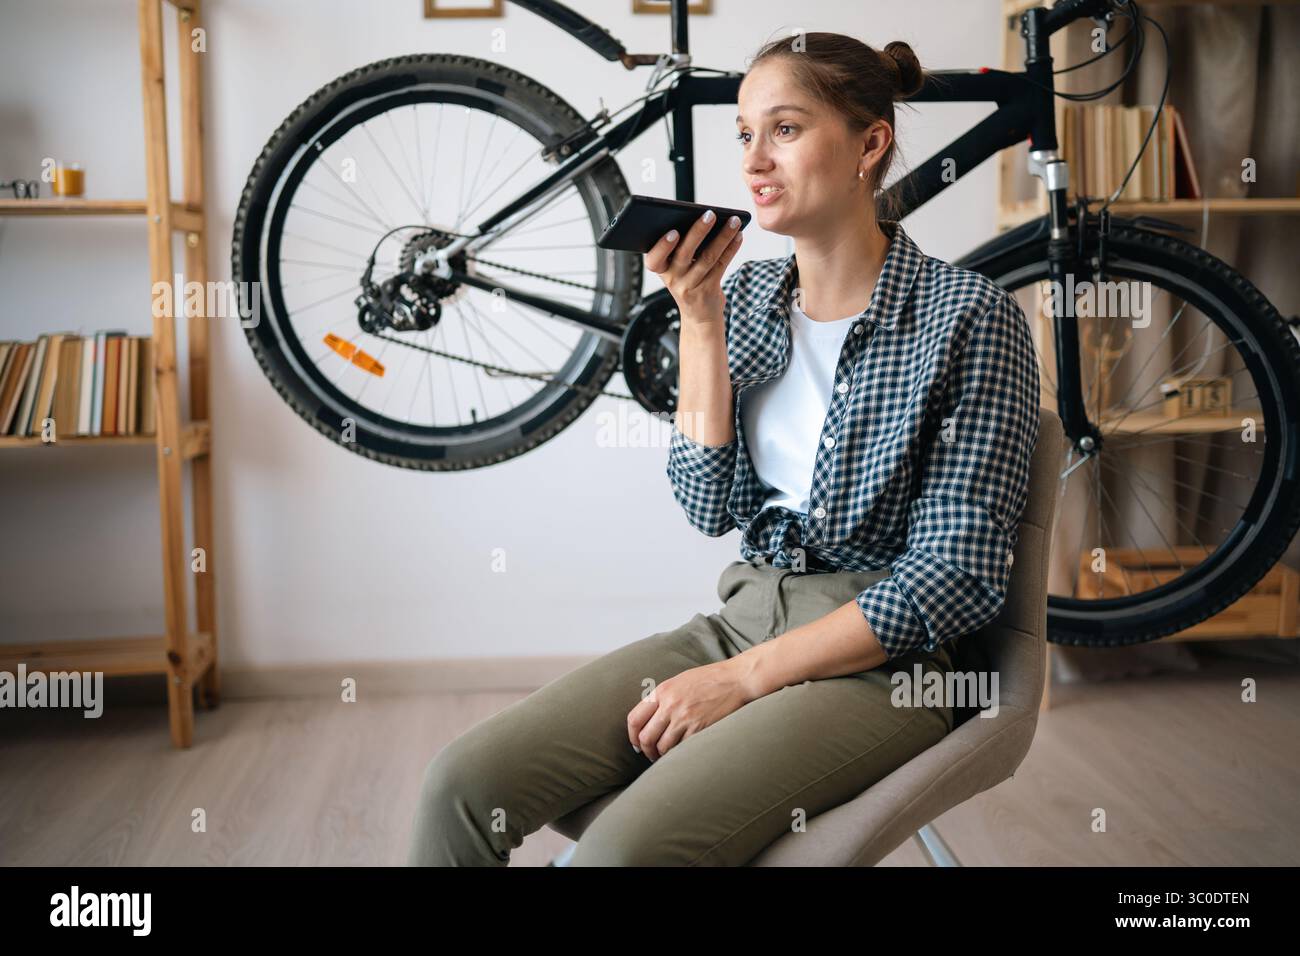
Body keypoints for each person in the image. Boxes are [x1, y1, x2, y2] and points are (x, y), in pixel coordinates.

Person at [406, 31, 1040, 867]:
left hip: (884, 667)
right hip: (736, 619)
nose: (754, 161)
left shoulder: (969, 318)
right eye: (745, 135)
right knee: (458, 786)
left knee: (618, 855)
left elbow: (954, 580)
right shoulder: (746, 295)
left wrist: (744, 682)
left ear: (870, 143)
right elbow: (707, 505)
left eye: (784, 129)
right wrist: (699, 319)